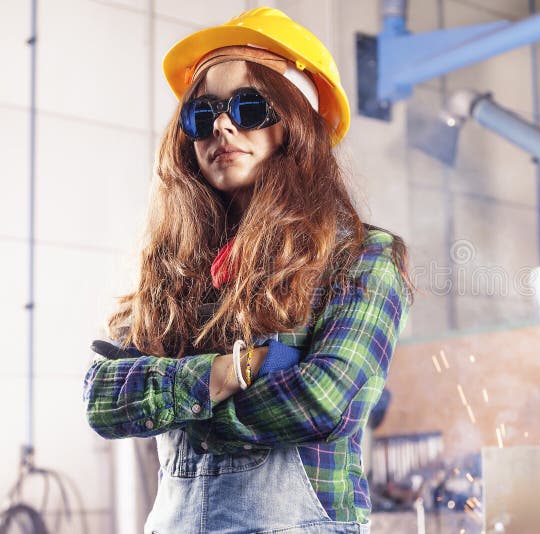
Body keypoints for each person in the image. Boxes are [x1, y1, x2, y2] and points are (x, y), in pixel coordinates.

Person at [82, 8, 412, 533]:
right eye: (202, 113)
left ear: (297, 126)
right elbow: (102, 399)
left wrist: (178, 402)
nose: (222, 125)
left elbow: (318, 400)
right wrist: (235, 370)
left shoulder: (362, 259)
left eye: (250, 107)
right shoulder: (174, 268)